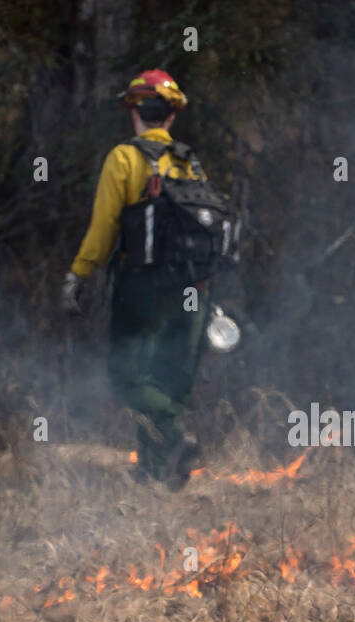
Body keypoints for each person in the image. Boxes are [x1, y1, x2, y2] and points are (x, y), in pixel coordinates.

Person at [61, 69, 211, 488]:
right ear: (171, 116)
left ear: (136, 113)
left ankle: (174, 442)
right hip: (194, 289)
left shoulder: (123, 158)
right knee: (169, 378)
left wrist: (79, 274)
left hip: (142, 287)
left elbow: (104, 226)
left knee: (127, 377)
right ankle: (157, 470)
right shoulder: (189, 161)